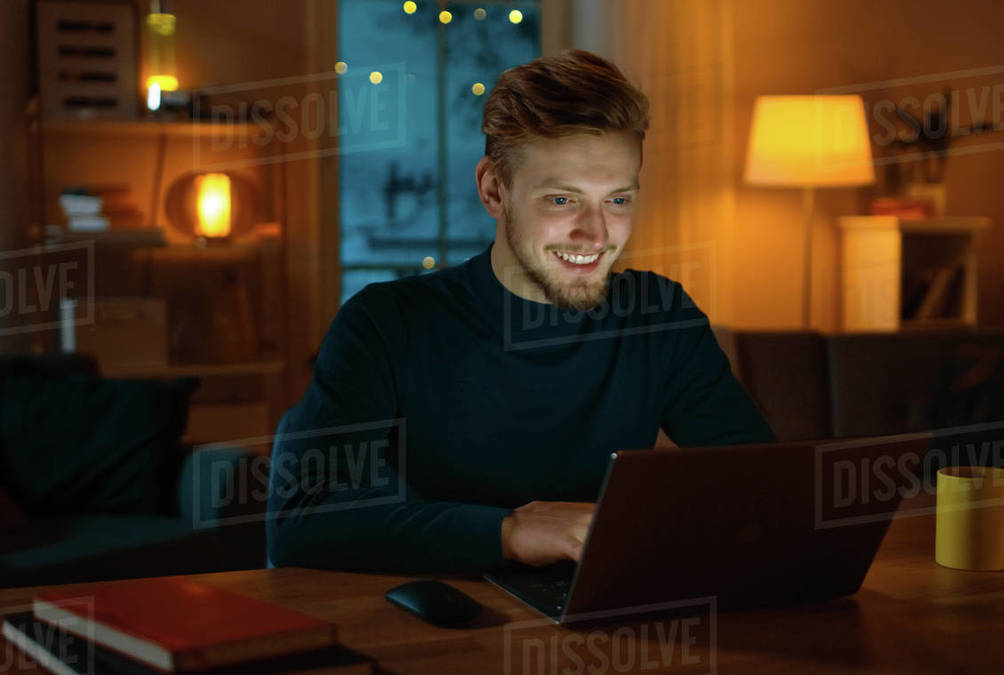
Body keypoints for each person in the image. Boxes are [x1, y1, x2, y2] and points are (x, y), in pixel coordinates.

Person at [266, 49, 775, 574]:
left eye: (618, 200)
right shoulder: (387, 323)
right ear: (494, 190)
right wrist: (506, 532)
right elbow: (300, 523)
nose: (596, 234)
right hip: (443, 613)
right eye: (562, 200)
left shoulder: (658, 315)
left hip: (605, 611)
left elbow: (765, 488)